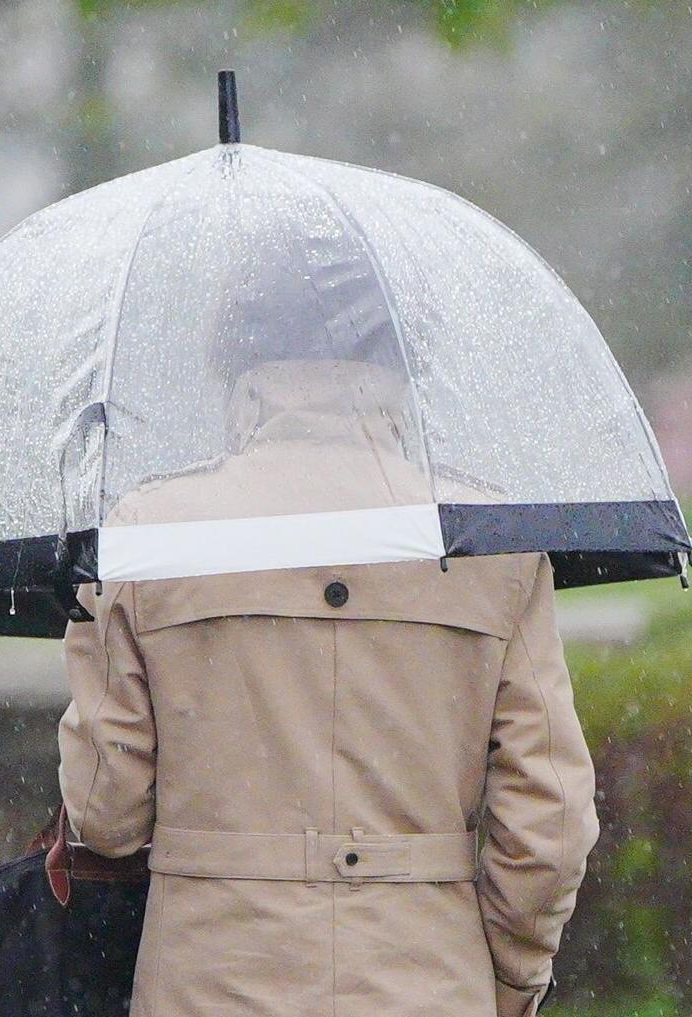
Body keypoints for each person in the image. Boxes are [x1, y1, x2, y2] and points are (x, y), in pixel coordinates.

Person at [56, 262, 599, 1017]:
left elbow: (105, 814)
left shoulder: (149, 538)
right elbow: (548, 825)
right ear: (405, 356)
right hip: (425, 982)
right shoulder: (488, 541)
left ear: (233, 357)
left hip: (210, 980)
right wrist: (509, 980)